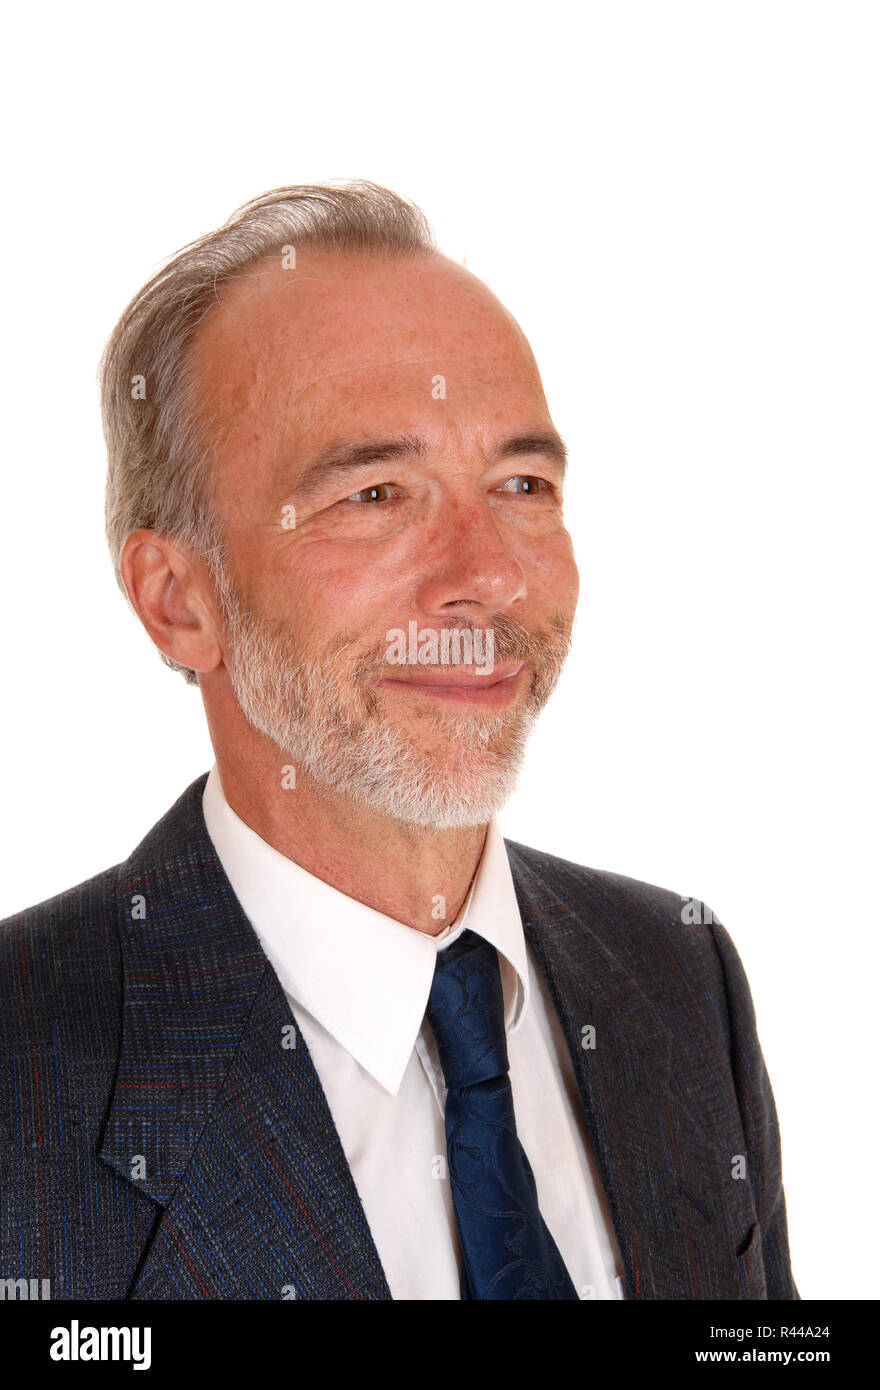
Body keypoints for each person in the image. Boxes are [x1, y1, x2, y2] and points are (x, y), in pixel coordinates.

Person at [0, 182, 798, 1300]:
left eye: (521, 485)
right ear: (178, 597)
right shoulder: (24, 1064)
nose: (489, 574)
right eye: (377, 493)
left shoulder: (675, 975)